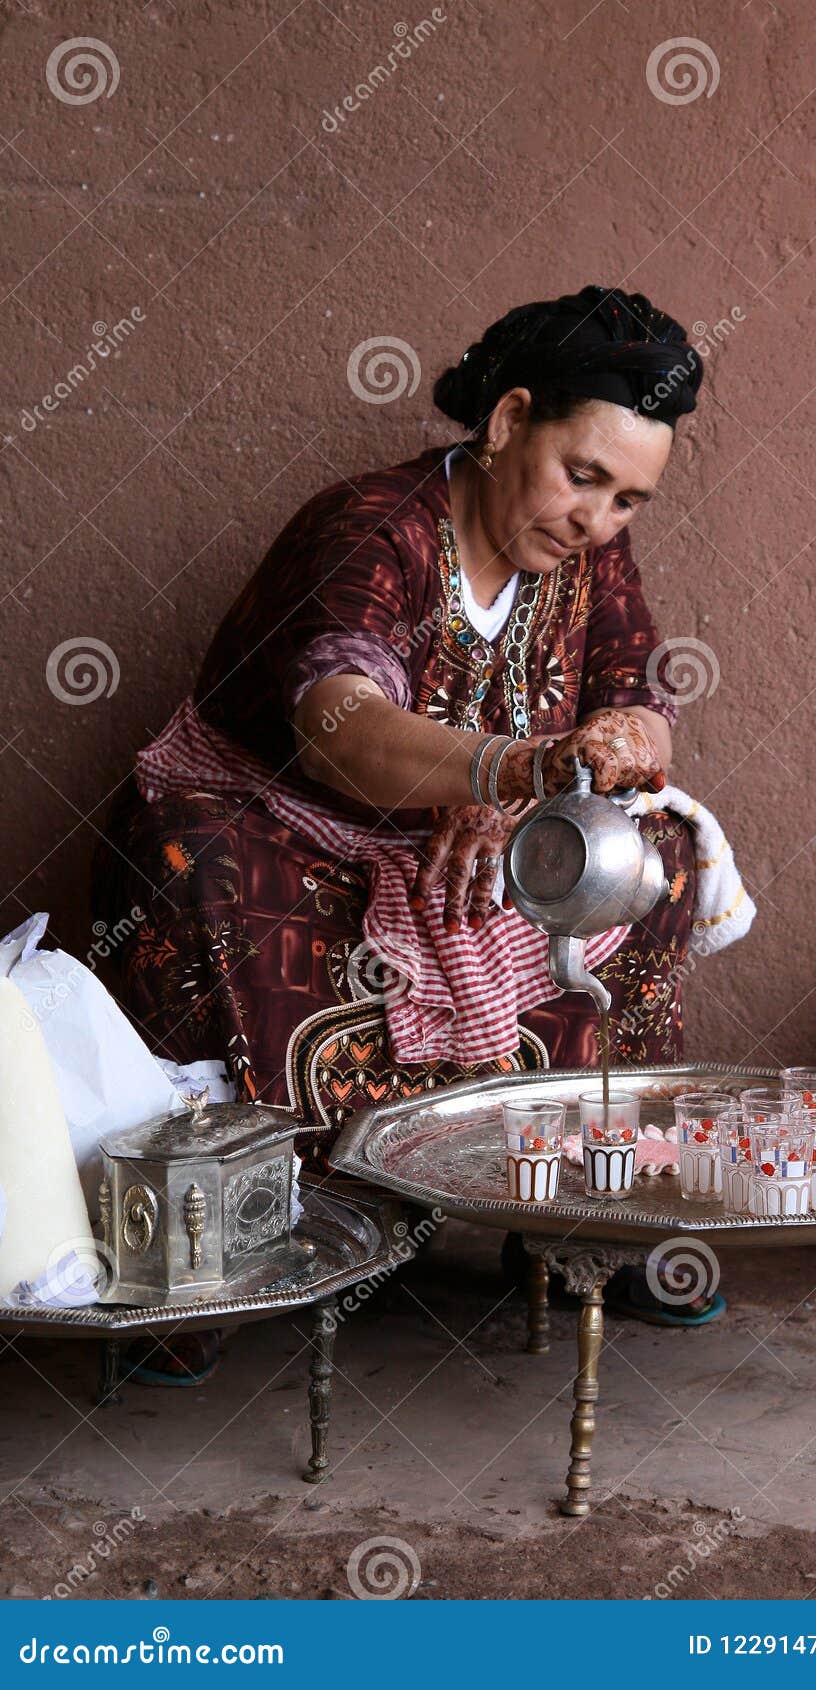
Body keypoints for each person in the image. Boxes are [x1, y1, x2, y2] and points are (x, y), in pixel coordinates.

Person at [92, 284, 721, 1380]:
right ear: (508, 420)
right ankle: (205, 1255)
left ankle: (584, 1217)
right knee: (217, 873)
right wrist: (515, 770)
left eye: (628, 499)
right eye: (582, 477)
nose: (596, 519)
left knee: (653, 867)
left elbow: (635, 696)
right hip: (288, 826)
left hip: (465, 845)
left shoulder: (585, 556)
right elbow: (338, 728)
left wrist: (622, 738)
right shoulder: (371, 530)